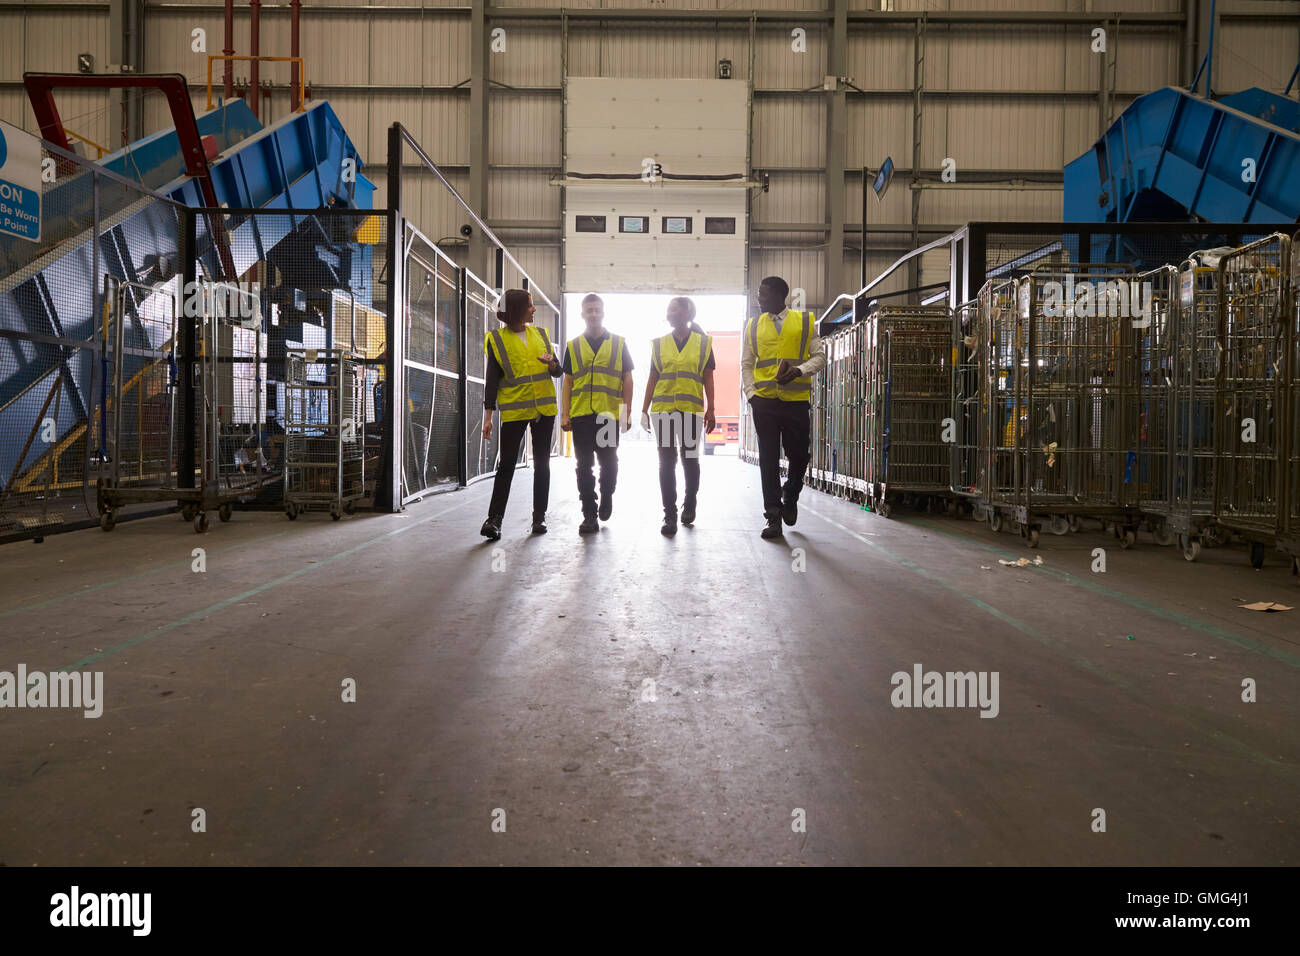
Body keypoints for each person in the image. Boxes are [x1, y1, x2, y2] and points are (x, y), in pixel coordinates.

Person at [742, 276, 826, 539]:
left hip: (795, 402)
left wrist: (799, 371)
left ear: (780, 295)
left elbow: (820, 356)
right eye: (759, 293)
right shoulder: (753, 325)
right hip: (764, 402)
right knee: (767, 458)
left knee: (799, 455)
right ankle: (773, 516)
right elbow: (746, 363)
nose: (759, 298)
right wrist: (751, 394)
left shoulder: (804, 322)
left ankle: (790, 494)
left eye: (763, 293)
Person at [479, 289, 562, 540]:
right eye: (530, 305)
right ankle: (494, 520)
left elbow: (558, 371)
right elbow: (492, 380)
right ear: (516, 309)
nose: (534, 309)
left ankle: (539, 517)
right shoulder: (496, 339)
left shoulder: (542, 335)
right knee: (506, 466)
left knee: (542, 464)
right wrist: (488, 416)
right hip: (515, 410)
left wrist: (552, 364)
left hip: (544, 410)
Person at [640, 296, 716, 536]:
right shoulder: (659, 344)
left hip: (691, 410)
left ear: (687, 312)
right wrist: (643, 409)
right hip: (662, 409)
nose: (669, 313)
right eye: (668, 310)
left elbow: (708, 378)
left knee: (690, 459)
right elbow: (653, 376)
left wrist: (711, 408)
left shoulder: (703, 344)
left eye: (674, 309)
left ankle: (690, 502)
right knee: (666, 462)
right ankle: (669, 514)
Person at [560, 294, 634, 535]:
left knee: (609, 463)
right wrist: (565, 414)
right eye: (589, 310)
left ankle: (607, 495)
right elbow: (568, 382)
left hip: (607, 416)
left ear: (603, 313)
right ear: (582, 314)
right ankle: (589, 514)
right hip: (581, 415)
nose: (593, 314)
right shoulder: (573, 346)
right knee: (583, 466)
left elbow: (627, 378)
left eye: (597, 310)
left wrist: (626, 413)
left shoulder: (618, 343)